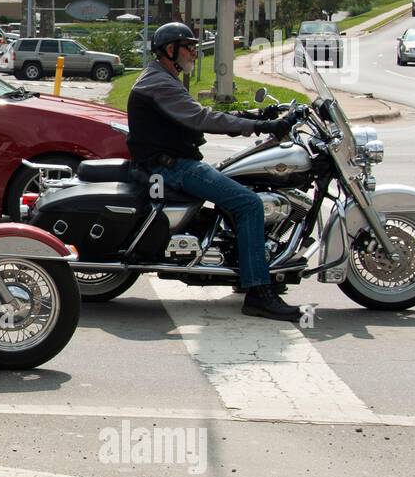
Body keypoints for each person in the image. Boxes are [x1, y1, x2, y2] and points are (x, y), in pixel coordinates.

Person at [127, 22, 302, 321]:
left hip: (172, 163)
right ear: (170, 50)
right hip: (173, 168)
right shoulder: (159, 83)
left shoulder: (162, 78)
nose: (194, 53)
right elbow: (203, 118)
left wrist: (257, 115)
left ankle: (250, 269)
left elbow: (196, 114)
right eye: (188, 47)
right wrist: (261, 126)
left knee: (242, 190)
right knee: (249, 203)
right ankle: (258, 291)